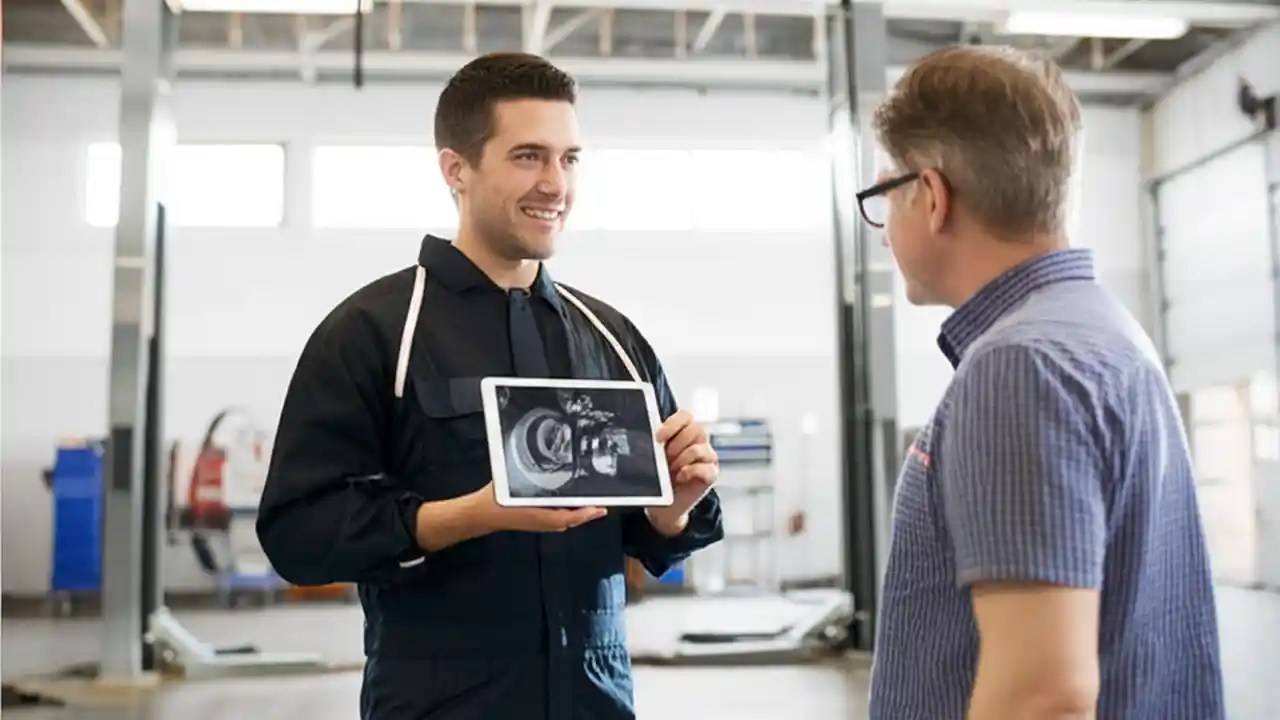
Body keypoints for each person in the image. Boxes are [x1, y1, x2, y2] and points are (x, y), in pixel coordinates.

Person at [255, 52, 724, 720]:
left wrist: (672, 506)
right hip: (439, 701)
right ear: (457, 170)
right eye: (528, 156)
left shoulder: (613, 340)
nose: (556, 184)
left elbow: (650, 537)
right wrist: (467, 516)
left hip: (596, 697)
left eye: (570, 159)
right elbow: (298, 532)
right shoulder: (376, 333)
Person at [860, 46, 1224, 718]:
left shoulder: (1018, 367)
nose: (882, 235)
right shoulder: (1106, 332)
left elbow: (1041, 698)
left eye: (884, 196)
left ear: (933, 197)